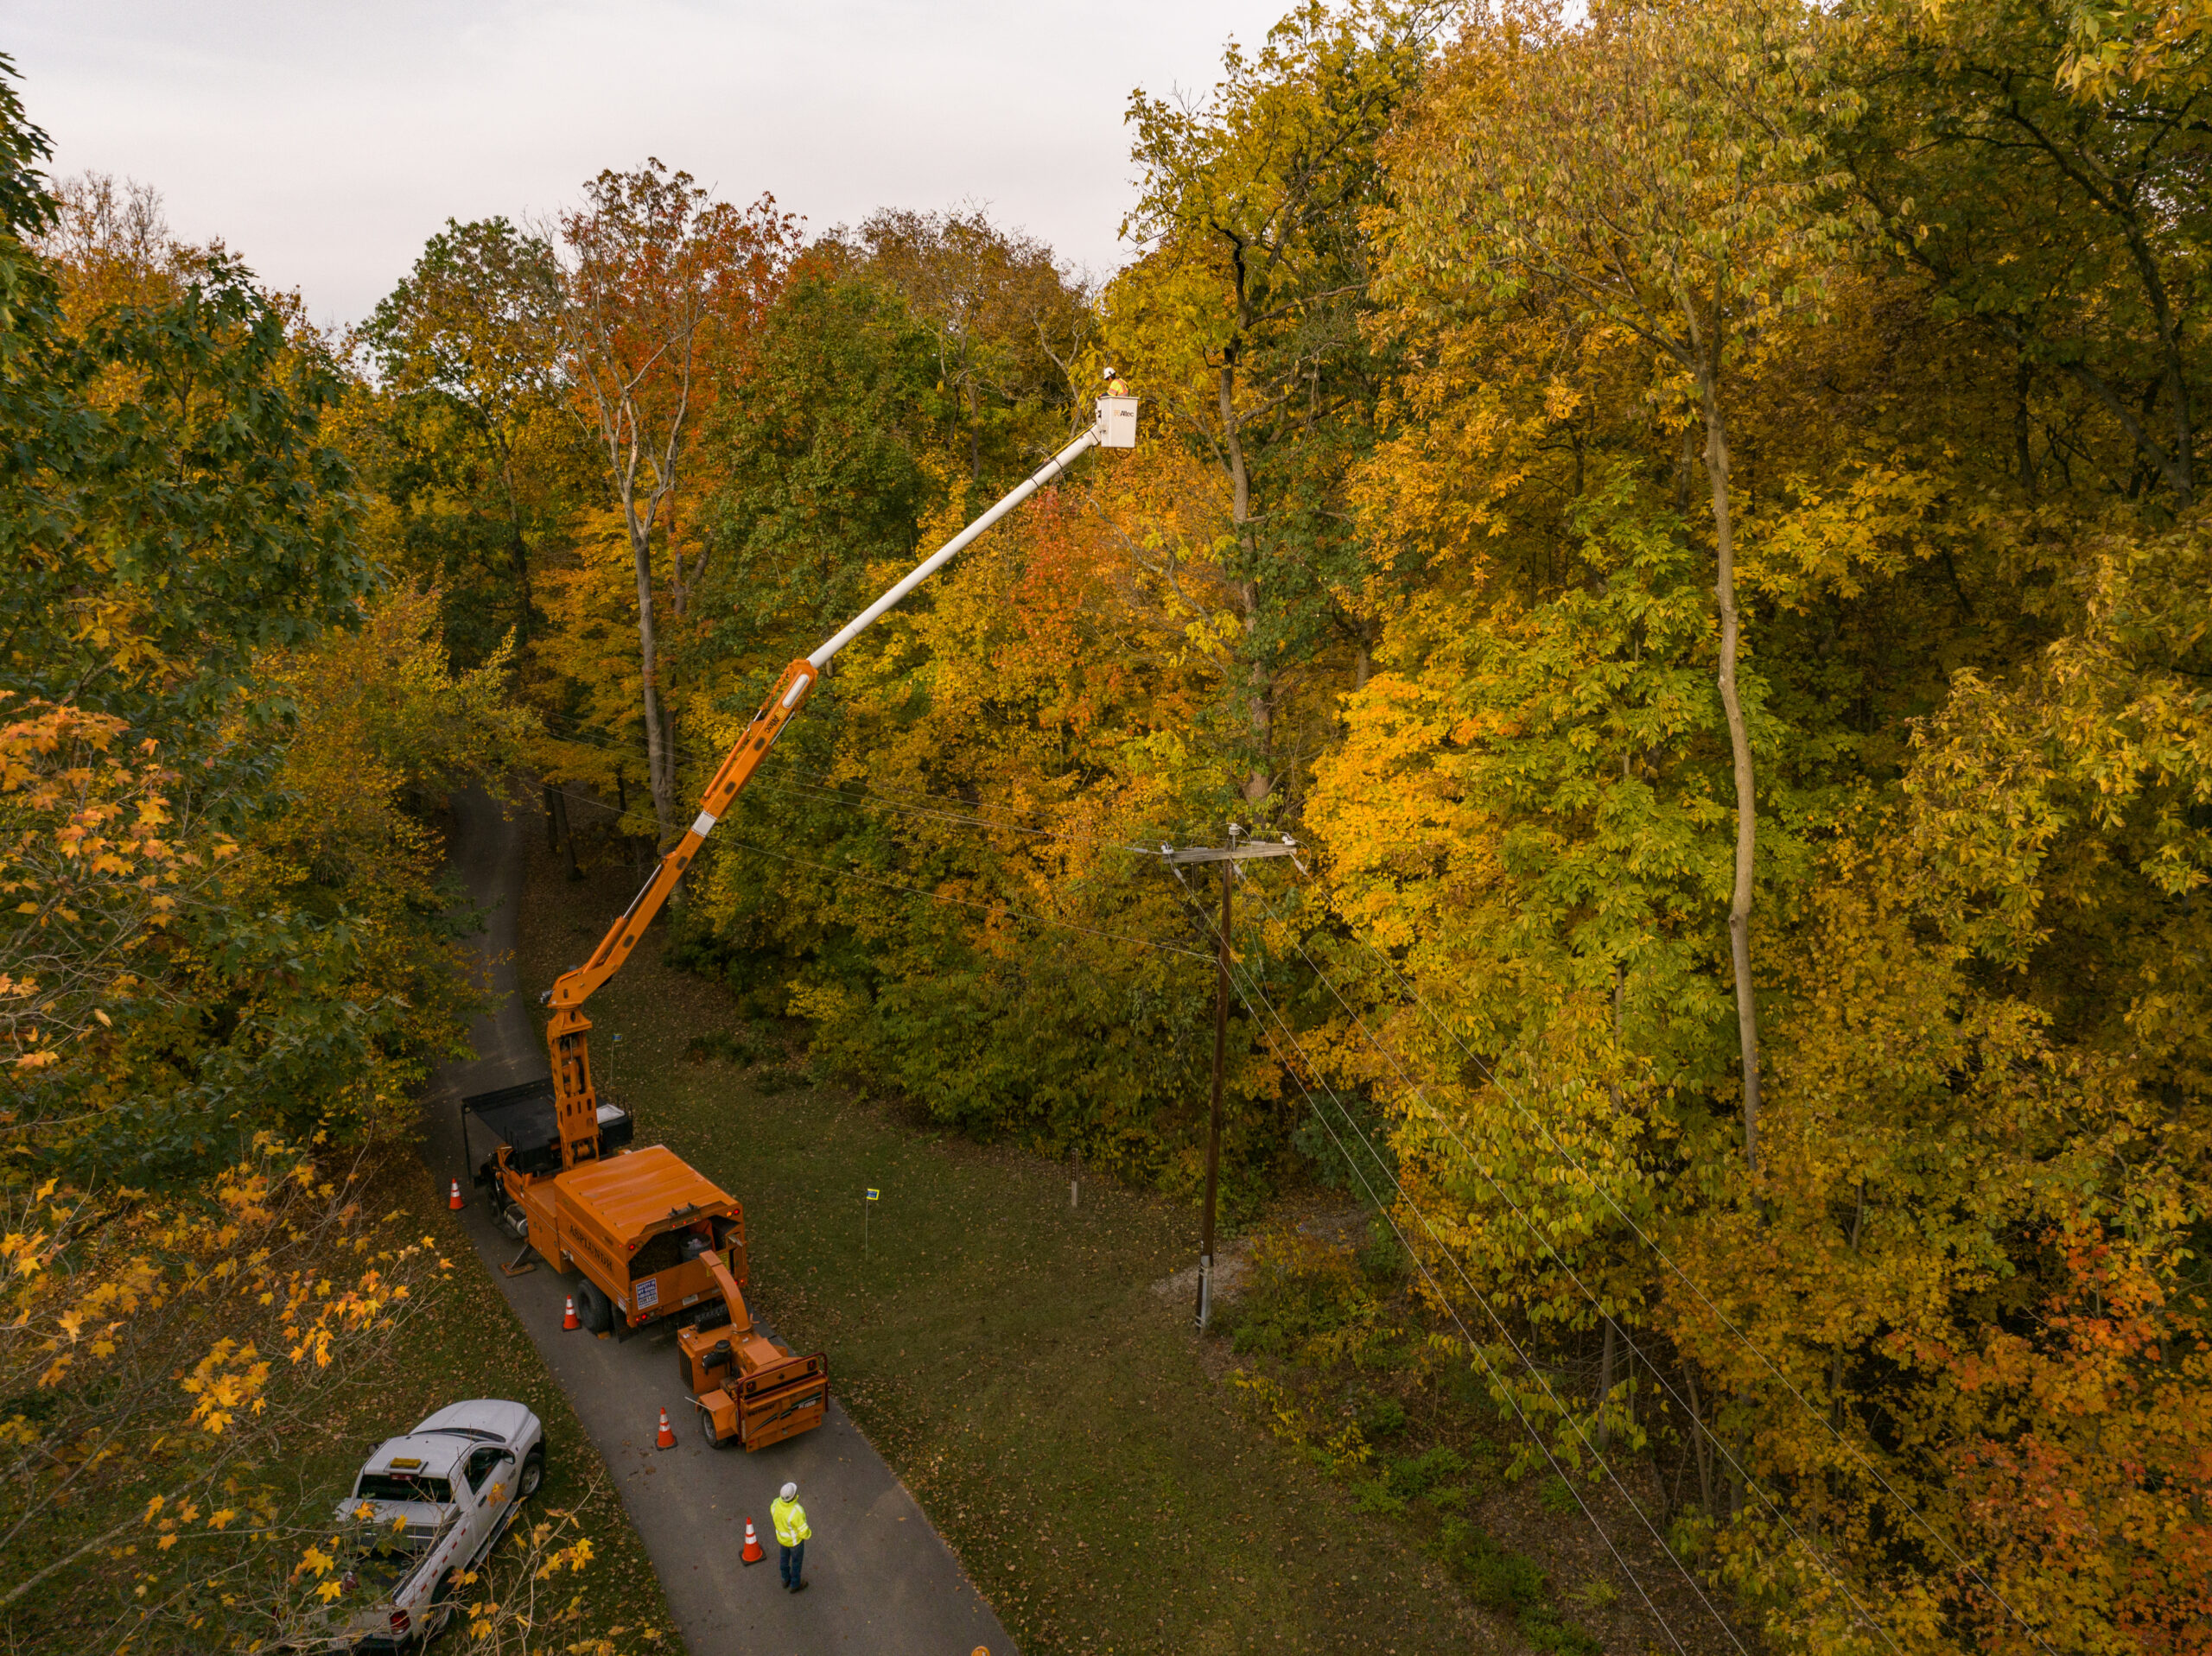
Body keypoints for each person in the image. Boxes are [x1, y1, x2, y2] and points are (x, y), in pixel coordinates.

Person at [770, 1480, 810, 1592]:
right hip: (795, 1543)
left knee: (784, 1560)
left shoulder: (775, 1504)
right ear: (793, 1496)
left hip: (782, 1540)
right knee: (796, 1563)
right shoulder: (797, 1511)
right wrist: (807, 1536)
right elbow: (803, 1530)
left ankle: (785, 1579)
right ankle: (795, 1584)